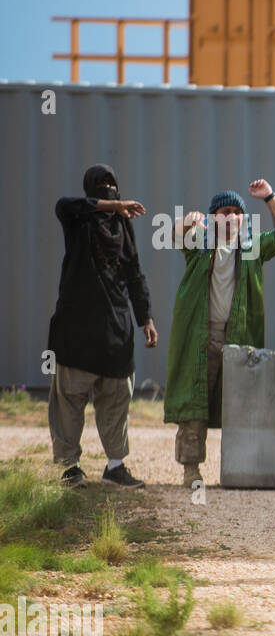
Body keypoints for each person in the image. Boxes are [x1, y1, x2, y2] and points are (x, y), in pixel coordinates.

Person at [165, 181, 275, 487]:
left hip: (239, 339)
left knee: (242, 406)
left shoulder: (252, 249)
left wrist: (270, 197)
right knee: (195, 405)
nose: (233, 217)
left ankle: (240, 469)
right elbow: (173, 236)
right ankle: (191, 470)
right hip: (201, 339)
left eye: (238, 213)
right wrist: (188, 221)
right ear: (213, 217)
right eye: (226, 212)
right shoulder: (200, 246)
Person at [49, 164, 157, 489]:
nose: (108, 187)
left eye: (111, 183)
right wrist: (116, 205)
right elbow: (65, 204)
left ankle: (115, 467)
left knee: (116, 400)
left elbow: (135, 274)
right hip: (76, 330)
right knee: (69, 400)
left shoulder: (123, 227)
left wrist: (146, 318)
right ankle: (69, 468)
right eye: (101, 183)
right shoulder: (77, 219)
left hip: (115, 330)